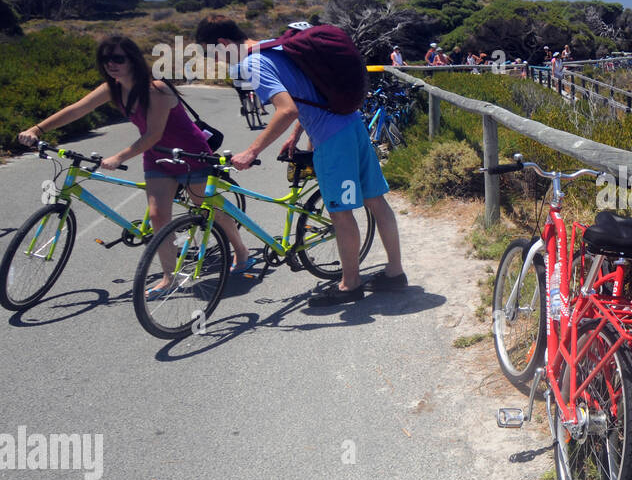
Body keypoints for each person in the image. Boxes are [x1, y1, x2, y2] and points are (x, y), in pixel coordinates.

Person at [195, 17, 405, 304]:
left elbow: (287, 109)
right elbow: (310, 92)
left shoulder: (250, 65)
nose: (217, 61)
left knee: (341, 213)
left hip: (332, 137)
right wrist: (296, 135)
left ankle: (350, 284)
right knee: (376, 200)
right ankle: (395, 273)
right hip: (351, 123)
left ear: (222, 44)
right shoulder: (279, 48)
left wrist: (252, 151)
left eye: (213, 54)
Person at [16, 35, 252, 291]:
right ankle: (169, 277)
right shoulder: (112, 88)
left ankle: (240, 250)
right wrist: (37, 129)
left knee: (210, 210)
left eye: (118, 58)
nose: (111, 64)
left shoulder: (157, 89)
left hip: (190, 155)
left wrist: (118, 157)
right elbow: (76, 110)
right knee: (158, 217)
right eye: (105, 59)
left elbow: (153, 134)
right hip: (156, 157)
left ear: (133, 60)